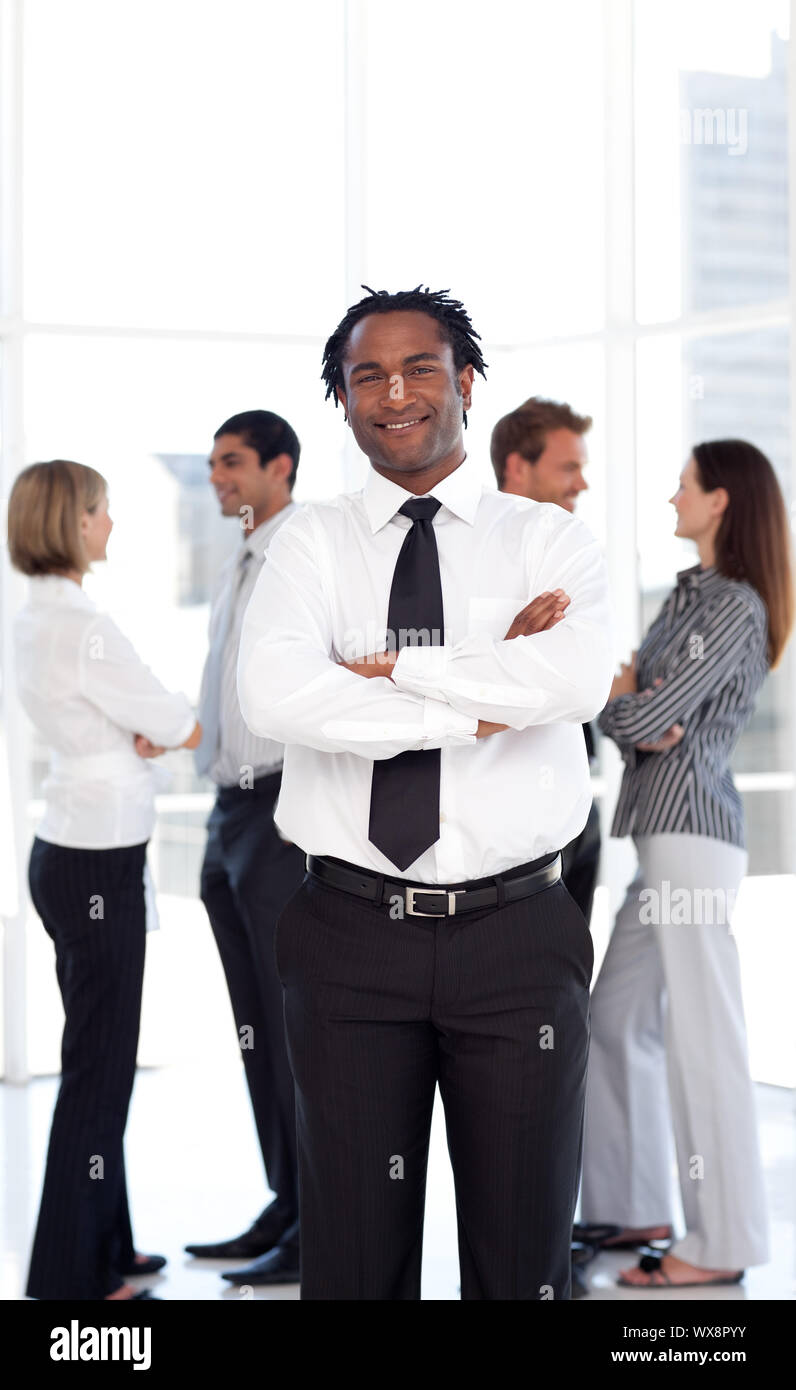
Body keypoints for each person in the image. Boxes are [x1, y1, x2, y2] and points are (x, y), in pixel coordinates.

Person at [237, 286, 614, 1300]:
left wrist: (378, 674)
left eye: (418, 369)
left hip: (519, 936)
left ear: (465, 384)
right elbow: (274, 694)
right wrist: (484, 688)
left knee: (524, 1260)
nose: (393, 392)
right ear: (344, 400)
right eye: (367, 375)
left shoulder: (550, 540)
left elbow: (572, 682)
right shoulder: (309, 543)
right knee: (353, 1264)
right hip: (349, 932)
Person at [578, 440, 794, 1289]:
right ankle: (634, 1205)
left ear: (722, 503)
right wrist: (631, 705)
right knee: (614, 1018)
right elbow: (633, 709)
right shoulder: (688, 597)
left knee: (706, 1040)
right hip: (661, 844)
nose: (672, 495)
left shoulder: (735, 605)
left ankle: (722, 1241)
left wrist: (626, 703)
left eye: (684, 485)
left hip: (693, 846)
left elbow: (643, 708)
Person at [9, 459, 201, 1301]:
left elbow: (143, 723)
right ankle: (71, 1276)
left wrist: (142, 733)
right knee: (99, 1066)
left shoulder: (35, 615)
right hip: (98, 859)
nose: (112, 524)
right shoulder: (85, 624)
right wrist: (155, 732)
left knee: (96, 1054)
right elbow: (177, 720)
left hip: (65, 848)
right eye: (102, 510)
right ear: (71, 522)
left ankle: (111, 1245)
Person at [183, 411, 306, 1287]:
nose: (219, 478)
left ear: (279, 467)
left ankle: (315, 1218)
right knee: (254, 1023)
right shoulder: (237, 558)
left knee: (293, 1027)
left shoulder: (300, 560)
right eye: (215, 464)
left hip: (278, 813)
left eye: (232, 463)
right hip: (228, 810)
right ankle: (284, 1197)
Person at [491, 396, 600, 924]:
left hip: (577, 799)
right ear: (518, 466)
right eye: (569, 468)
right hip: (513, 829)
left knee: (569, 982)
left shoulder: (571, 555)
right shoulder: (470, 560)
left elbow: (582, 676)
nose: (581, 484)